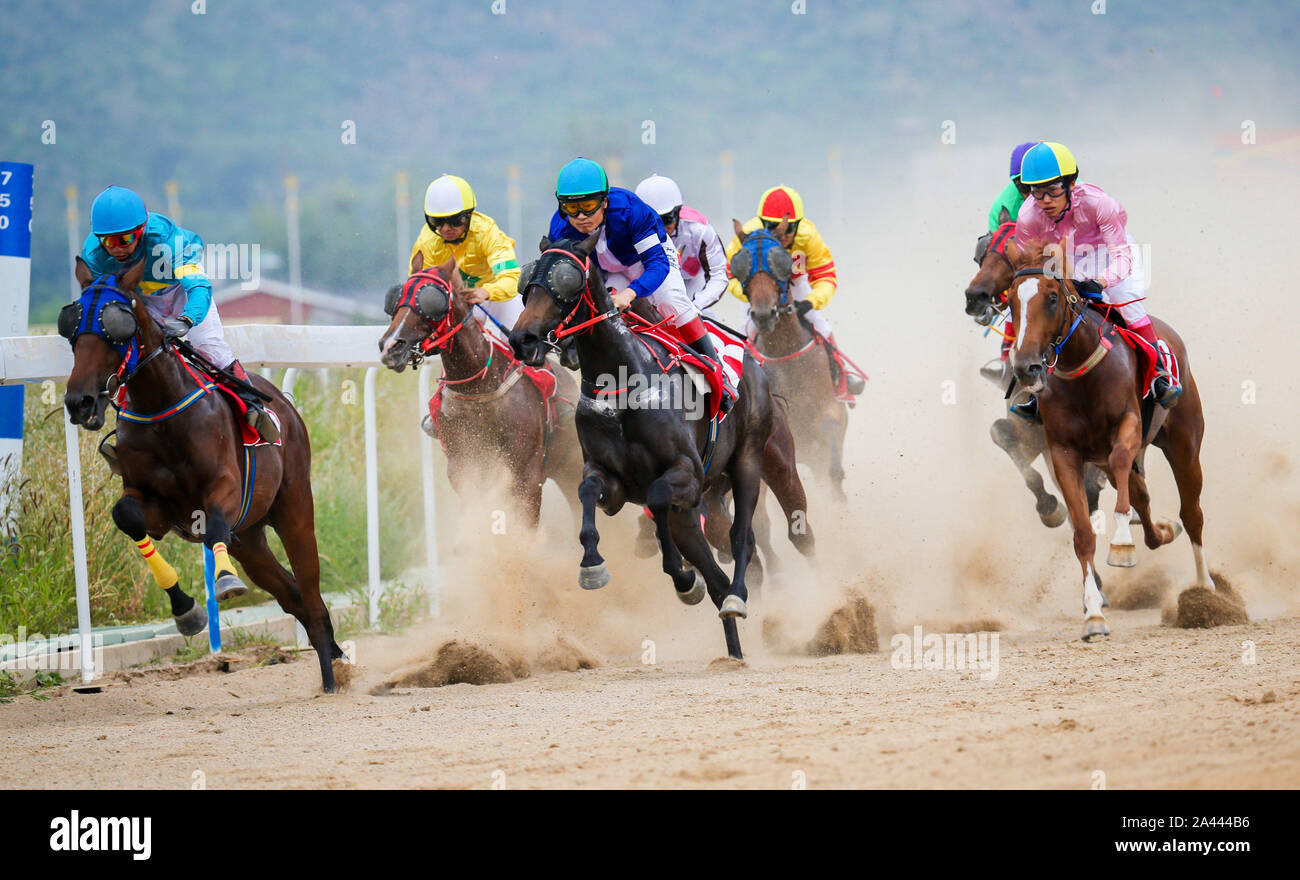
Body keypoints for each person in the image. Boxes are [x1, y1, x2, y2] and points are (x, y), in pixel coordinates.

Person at [80, 185, 279, 442]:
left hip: (180, 291)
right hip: (141, 299)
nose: (117, 248)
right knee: (130, 354)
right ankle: (125, 433)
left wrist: (186, 319)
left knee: (208, 346)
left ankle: (254, 409)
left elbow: (197, 287)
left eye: (125, 239)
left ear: (141, 231)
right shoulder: (93, 256)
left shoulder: (165, 239)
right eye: (109, 241)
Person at [1010, 142, 1181, 422]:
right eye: (1037, 193)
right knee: (1048, 313)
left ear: (1071, 183)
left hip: (1112, 253)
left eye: (1053, 191)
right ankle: (1035, 391)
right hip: (1066, 257)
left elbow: (1122, 257)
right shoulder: (1028, 215)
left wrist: (1100, 282)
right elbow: (1031, 264)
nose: (1045, 201)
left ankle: (1160, 375)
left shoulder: (1099, 204)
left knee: (1127, 306)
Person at [549, 157, 735, 409]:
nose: (581, 216)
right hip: (609, 269)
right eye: (572, 209)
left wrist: (631, 292)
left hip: (651, 258)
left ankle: (716, 374)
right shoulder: (559, 228)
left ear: (605, 201)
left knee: (671, 301)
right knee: (603, 313)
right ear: (562, 207)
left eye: (589, 205)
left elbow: (657, 265)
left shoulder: (630, 210)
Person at [725, 184, 865, 396]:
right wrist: (749, 294)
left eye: (788, 227)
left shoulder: (808, 236)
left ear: (798, 224)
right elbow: (728, 275)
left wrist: (811, 301)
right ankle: (734, 385)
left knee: (822, 325)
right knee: (745, 330)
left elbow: (826, 276)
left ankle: (841, 379)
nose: (781, 233)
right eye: (771, 226)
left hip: (796, 283)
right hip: (757, 289)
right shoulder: (746, 235)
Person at [410, 174, 522, 345]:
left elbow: (512, 279)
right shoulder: (427, 241)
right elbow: (420, 287)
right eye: (437, 222)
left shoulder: (487, 231)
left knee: (518, 337)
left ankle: (535, 367)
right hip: (460, 300)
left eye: (455, 221)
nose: (446, 229)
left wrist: (486, 292)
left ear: (469, 215)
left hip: (498, 296)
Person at [634, 174, 728, 316]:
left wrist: (696, 305)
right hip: (651, 284)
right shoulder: (631, 231)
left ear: (678, 212)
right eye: (653, 220)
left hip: (691, 285)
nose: (660, 227)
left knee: (701, 318)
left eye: (666, 219)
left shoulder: (700, 230)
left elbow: (719, 275)